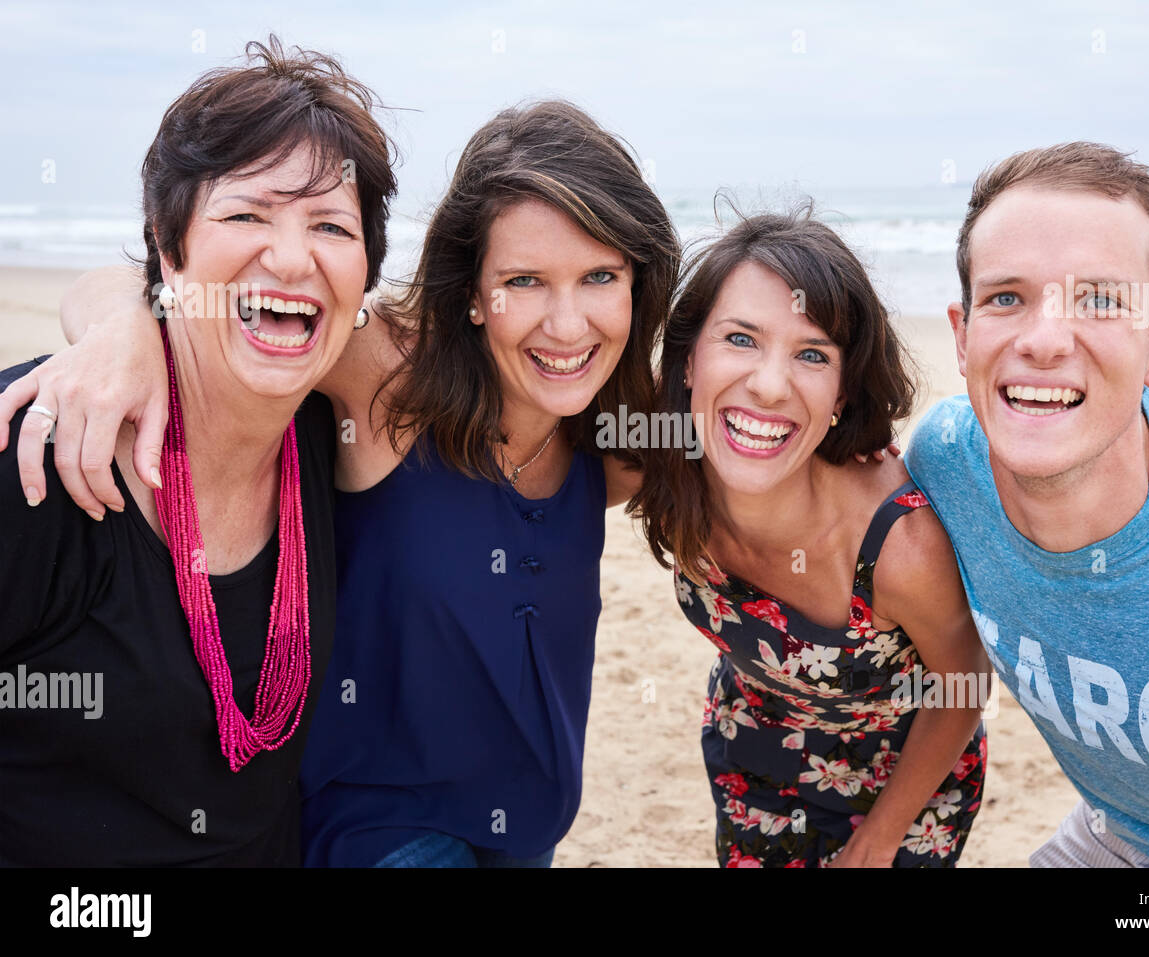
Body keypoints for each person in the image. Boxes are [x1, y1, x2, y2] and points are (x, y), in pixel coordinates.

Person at [2, 100, 681, 867]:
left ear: (637, 285)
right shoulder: (389, 378)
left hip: (530, 834)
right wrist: (118, 331)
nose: (566, 324)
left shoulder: (618, 436)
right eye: (522, 280)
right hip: (380, 837)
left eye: (599, 276)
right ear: (468, 290)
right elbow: (172, 285)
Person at [0, 37, 398, 865]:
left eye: (330, 224)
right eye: (247, 214)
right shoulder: (35, 445)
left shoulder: (332, 439)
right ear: (169, 243)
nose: (291, 258)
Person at [903, 142, 1149, 867]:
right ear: (962, 337)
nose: (1045, 341)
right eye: (1006, 297)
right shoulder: (943, 462)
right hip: (1114, 837)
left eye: (1100, 300)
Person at [630, 206, 989, 867]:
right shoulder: (664, 461)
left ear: (843, 395)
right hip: (753, 758)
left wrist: (878, 841)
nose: (769, 385)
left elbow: (964, 681)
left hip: (904, 784)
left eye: (812, 354)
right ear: (687, 361)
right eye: (740, 339)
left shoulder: (900, 545)